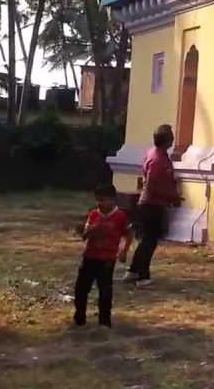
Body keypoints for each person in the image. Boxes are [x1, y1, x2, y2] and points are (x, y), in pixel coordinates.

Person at [124, 124, 179, 287]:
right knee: (149, 240)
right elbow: (153, 185)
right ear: (166, 140)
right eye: (171, 136)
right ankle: (142, 275)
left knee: (147, 240)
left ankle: (133, 271)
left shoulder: (157, 154)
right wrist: (171, 197)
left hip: (153, 202)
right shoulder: (157, 159)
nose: (173, 138)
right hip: (152, 204)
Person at [74, 184, 132, 328]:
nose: (100, 203)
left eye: (103, 200)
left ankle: (104, 321)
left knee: (105, 290)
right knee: (81, 288)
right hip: (90, 256)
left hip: (107, 259)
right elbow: (84, 236)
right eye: (98, 200)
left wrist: (124, 251)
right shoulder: (93, 214)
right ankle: (79, 317)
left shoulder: (120, 216)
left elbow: (129, 234)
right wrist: (91, 230)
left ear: (112, 200)